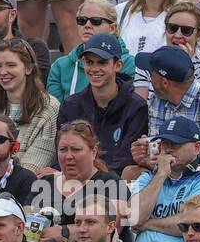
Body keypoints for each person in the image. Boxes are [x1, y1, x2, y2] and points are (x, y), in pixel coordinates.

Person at [127, 116, 200, 242]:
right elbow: (133, 218)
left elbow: (190, 224)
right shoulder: (149, 178)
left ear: (197, 148)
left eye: (176, 143)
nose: (169, 149)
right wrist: (161, 174)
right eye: (165, 144)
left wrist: (146, 224)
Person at [136, 45, 200, 177]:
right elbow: (159, 155)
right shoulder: (157, 101)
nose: (150, 79)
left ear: (164, 82)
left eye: (151, 74)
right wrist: (145, 157)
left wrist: (179, 172)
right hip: (170, 179)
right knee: (130, 172)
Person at [56, 34, 148, 177]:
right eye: (89, 62)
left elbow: (126, 160)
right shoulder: (70, 106)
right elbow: (62, 151)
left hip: (116, 185)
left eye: (102, 62)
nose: (94, 68)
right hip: (76, 180)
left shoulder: (136, 107)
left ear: (117, 65)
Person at [28, 119, 124, 229]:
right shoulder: (44, 182)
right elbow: (26, 224)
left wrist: (62, 233)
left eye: (76, 149)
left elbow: (110, 227)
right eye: (63, 149)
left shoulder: (111, 183)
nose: (68, 156)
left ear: (93, 152)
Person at [0, 38, 57, 174]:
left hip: (23, 188)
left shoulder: (48, 107)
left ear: (28, 68)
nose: (3, 72)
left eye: (11, 65)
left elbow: (33, 166)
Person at [46, 0, 136, 100]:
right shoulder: (60, 66)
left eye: (96, 21)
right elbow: (55, 111)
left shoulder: (129, 63)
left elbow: (130, 107)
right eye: (82, 20)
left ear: (112, 28)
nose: (87, 25)